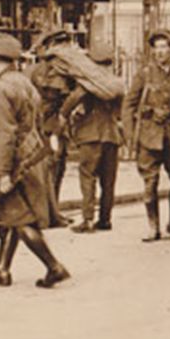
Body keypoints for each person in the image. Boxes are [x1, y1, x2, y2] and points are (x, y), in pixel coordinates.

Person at [0, 32, 69, 288]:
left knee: (20, 217)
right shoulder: (26, 83)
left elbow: (4, 134)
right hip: (31, 155)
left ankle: (54, 267)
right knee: (9, 215)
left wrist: (3, 173)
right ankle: (1, 269)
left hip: (12, 158)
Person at [124, 28, 170, 242]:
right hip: (149, 136)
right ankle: (153, 227)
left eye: (164, 47)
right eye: (156, 47)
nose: (160, 51)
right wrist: (129, 133)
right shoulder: (144, 73)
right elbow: (129, 105)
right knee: (150, 183)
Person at [61, 41, 124, 233]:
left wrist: (64, 114)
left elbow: (74, 98)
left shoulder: (90, 82)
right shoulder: (115, 83)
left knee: (88, 177)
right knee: (108, 180)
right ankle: (105, 219)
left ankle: (87, 219)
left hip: (90, 135)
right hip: (112, 135)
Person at [31, 29, 76, 195]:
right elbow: (54, 95)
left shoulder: (60, 69)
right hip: (48, 126)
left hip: (57, 126)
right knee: (51, 168)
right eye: (60, 45)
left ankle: (53, 209)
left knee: (58, 167)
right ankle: (49, 211)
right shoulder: (48, 70)